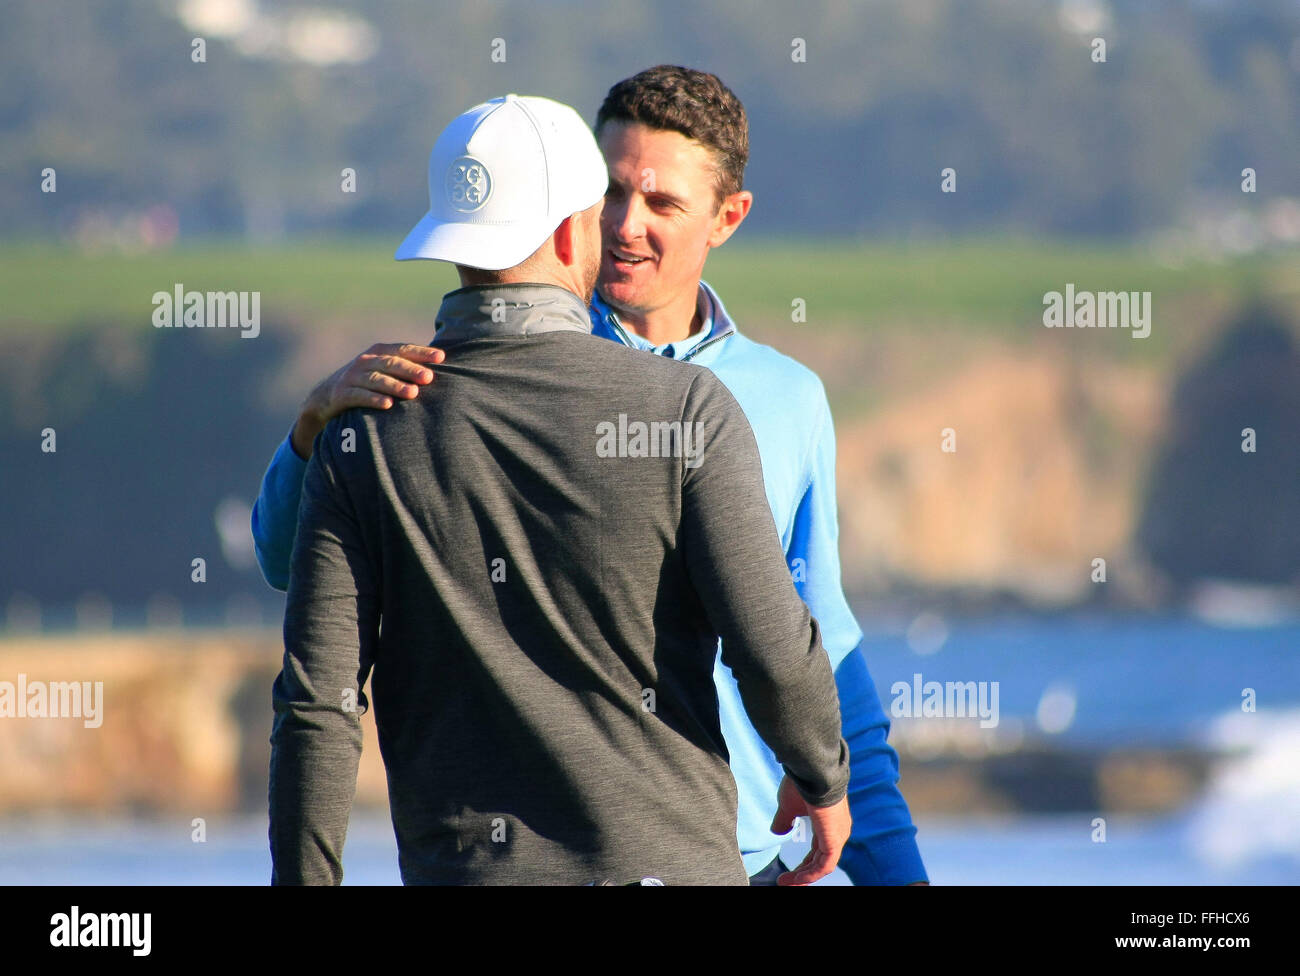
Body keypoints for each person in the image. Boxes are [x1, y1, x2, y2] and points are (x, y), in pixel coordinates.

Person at [255, 67, 927, 886]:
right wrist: (309, 431)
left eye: (662, 203)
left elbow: (822, 646)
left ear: (729, 217)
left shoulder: (783, 402)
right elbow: (781, 652)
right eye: (609, 196)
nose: (626, 226)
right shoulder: (370, 417)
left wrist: (884, 854)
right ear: (575, 227)